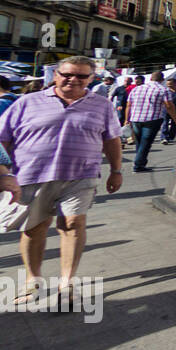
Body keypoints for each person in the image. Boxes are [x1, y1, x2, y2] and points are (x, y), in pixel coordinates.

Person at [0, 56, 123, 306]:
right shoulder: (27, 102)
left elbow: (112, 139)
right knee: (35, 229)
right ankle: (33, 280)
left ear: (91, 79)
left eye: (81, 76)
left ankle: (67, 283)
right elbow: (2, 137)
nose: (73, 80)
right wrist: (4, 173)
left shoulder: (102, 105)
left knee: (73, 224)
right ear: (55, 75)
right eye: (67, 74)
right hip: (31, 175)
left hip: (81, 175)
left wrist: (116, 170)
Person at [125, 72, 176, 172]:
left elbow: (129, 104)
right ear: (162, 80)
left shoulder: (137, 89)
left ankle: (140, 162)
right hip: (152, 119)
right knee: (146, 142)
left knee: (139, 142)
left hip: (135, 118)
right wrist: (175, 119)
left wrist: (126, 119)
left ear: (150, 78)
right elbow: (169, 106)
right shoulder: (163, 90)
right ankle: (138, 164)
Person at [160, 78, 176, 144]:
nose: (169, 86)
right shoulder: (166, 91)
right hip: (166, 109)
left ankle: (171, 137)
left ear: (175, 84)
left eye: (170, 85)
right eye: (168, 85)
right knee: (165, 123)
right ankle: (164, 138)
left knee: (175, 124)